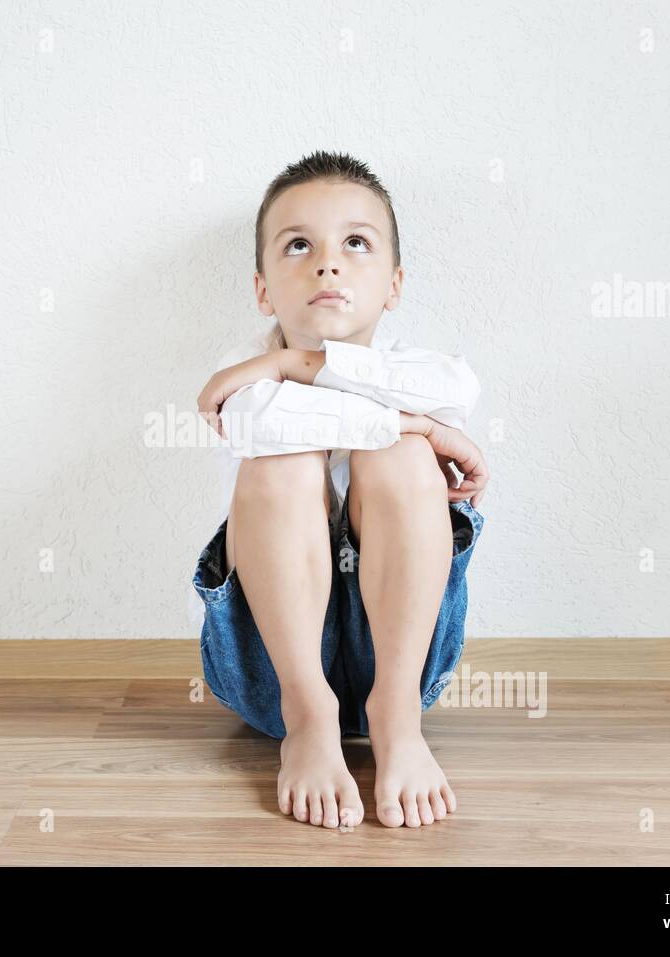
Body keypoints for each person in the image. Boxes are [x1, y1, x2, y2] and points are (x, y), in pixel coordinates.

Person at [191, 151, 490, 829]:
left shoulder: (417, 369)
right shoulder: (248, 380)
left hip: (406, 669)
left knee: (402, 459)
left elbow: (455, 389)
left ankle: (397, 720)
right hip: (273, 675)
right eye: (300, 245)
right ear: (264, 290)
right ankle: (311, 716)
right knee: (282, 454)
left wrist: (300, 365)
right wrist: (410, 421)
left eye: (356, 243)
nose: (328, 263)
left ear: (394, 284)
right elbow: (259, 419)